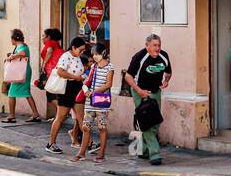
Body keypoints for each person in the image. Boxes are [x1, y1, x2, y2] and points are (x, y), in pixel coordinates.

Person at [124, 34, 172, 166]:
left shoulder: (164, 56)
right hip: (140, 92)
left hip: (155, 92)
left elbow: (168, 72)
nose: (157, 48)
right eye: (155, 45)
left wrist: (166, 81)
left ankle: (143, 150)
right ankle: (154, 154)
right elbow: (128, 77)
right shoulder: (139, 57)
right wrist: (139, 91)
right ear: (147, 46)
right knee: (146, 122)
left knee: (155, 122)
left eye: (159, 45)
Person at [46, 38, 87, 154]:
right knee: (61, 117)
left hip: (77, 87)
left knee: (81, 116)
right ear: (73, 47)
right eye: (81, 49)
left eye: (84, 50)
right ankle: (51, 143)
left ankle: (89, 142)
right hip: (67, 88)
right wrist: (75, 77)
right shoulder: (66, 56)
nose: (82, 52)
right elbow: (60, 72)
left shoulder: (77, 57)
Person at [72, 44, 113, 163]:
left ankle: (101, 155)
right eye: (93, 54)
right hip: (90, 102)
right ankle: (81, 153)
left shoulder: (110, 67)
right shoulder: (94, 66)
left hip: (102, 102)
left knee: (102, 127)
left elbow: (108, 84)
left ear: (104, 53)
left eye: (97, 54)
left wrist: (94, 92)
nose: (95, 57)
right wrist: (85, 90)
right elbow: (87, 82)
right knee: (85, 127)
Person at [1, 28, 41, 124]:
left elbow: (22, 53)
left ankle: (11, 116)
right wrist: (13, 55)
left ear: (14, 39)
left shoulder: (21, 47)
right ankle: (35, 114)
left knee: (11, 93)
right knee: (26, 93)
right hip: (23, 72)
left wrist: (11, 57)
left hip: (20, 73)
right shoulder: (23, 46)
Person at [39, 27, 64, 119]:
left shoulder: (50, 43)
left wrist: (44, 64)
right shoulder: (56, 43)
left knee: (50, 93)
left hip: (51, 71)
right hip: (56, 70)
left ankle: (61, 112)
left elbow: (49, 51)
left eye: (43, 36)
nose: (42, 38)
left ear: (48, 37)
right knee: (55, 92)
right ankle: (59, 115)